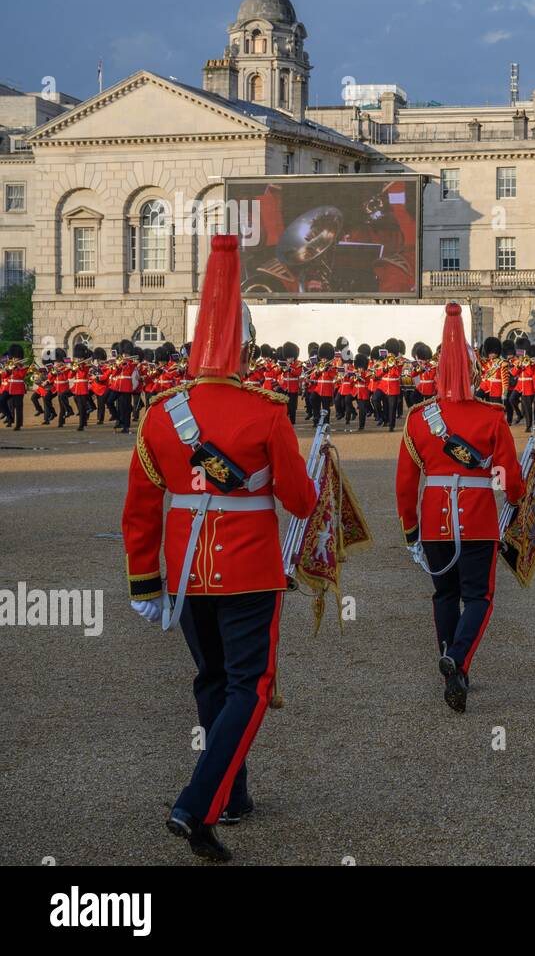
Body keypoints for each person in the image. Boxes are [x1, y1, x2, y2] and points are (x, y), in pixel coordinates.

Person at [121, 235, 317, 863]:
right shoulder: (266, 413)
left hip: (184, 571)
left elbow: (140, 509)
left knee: (211, 680)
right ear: (247, 349)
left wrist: (145, 583)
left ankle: (232, 794)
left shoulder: (159, 414)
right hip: (248, 569)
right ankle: (197, 802)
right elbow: (301, 501)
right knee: (250, 686)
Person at [396, 302, 524, 713]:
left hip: (434, 520)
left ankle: (451, 663)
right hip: (479, 522)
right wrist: (518, 500)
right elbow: (509, 478)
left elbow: (404, 483)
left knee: (444, 595)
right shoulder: (492, 417)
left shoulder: (418, 419)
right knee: (479, 597)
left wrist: (411, 529)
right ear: (473, 373)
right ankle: (459, 661)